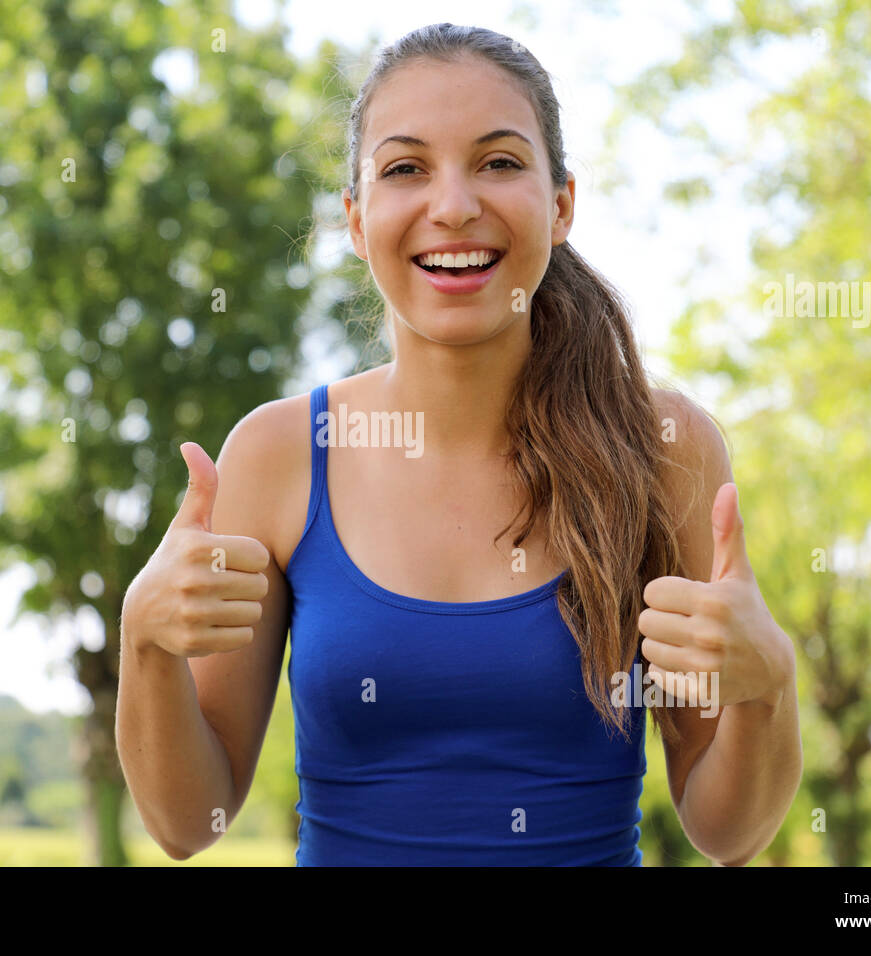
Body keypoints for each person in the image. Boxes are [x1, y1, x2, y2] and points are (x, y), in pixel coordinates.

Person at [116, 22, 802, 866]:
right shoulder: (279, 455)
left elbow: (724, 831)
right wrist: (143, 643)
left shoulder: (664, 450)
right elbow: (191, 822)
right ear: (358, 220)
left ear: (561, 206)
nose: (453, 205)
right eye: (406, 168)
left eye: (499, 162)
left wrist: (767, 686)